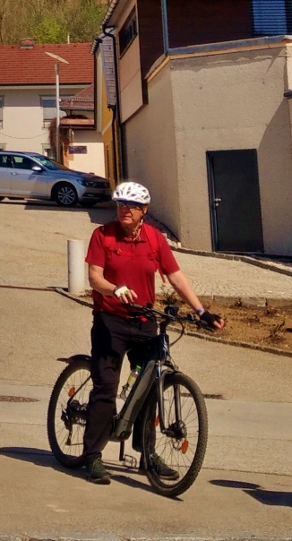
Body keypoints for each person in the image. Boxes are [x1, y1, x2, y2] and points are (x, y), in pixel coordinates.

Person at [76, 180, 222, 485]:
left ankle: (147, 453)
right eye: (120, 204)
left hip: (145, 321)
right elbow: (94, 277)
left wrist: (201, 311)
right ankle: (92, 456)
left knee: (151, 385)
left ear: (144, 210)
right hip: (110, 320)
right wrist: (115, 289)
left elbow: (176, 277)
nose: (124, 210)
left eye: (131, 206)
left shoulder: (155, 239)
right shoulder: (103, 235)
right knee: (106, 387)